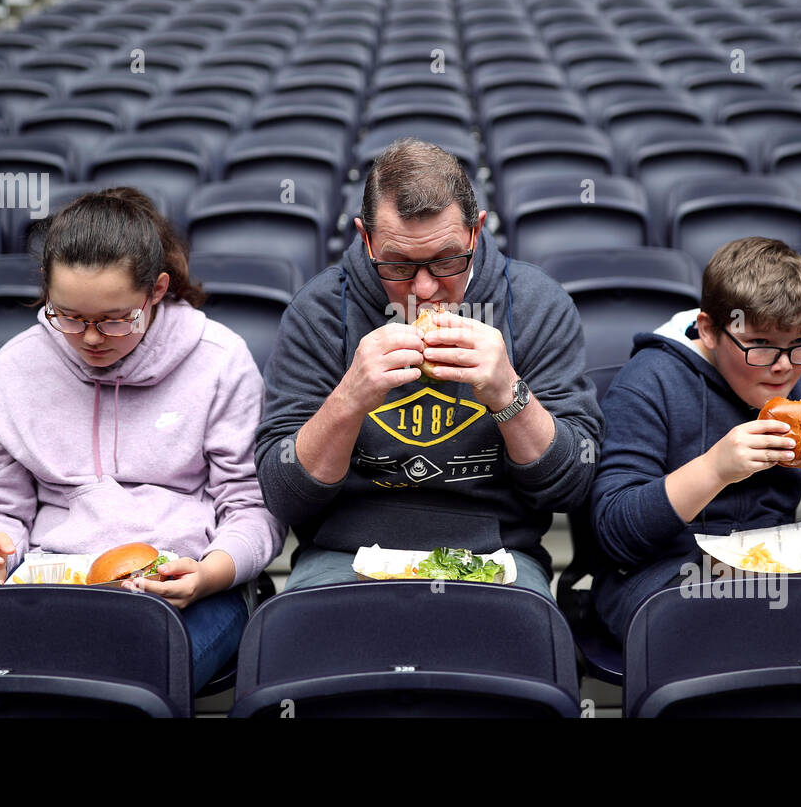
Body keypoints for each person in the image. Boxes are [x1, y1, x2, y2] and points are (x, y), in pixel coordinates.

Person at [0, 187, 285, 692]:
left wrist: (212, 573)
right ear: (46, 290)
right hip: (55, 585)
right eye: (68, 316)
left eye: (114, 319)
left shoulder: (219, 361)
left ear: (156, 291)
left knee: (125, 680)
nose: (90, 338)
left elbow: (251, 506)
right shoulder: (11, 372)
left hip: (188, 588)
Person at [255, 138, 603, 598]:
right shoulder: (318, 313)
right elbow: (283, 496)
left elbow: (570, 487)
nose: (423, 289)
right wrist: (348, 400)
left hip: (497, 554)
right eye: (398, 265)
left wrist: (508, 394)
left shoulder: (537, 304)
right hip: (343, 555)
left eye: (446, 260)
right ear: (365, 238)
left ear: (476, 231)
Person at [589, 236, 801, 640]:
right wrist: (714, 470)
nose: (783, 367)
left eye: (799, 344)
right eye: (760, 346)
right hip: (664, 576)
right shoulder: (650, 381)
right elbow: (616, 534)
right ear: (709, 330)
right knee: (743, 629)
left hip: (779, 568)